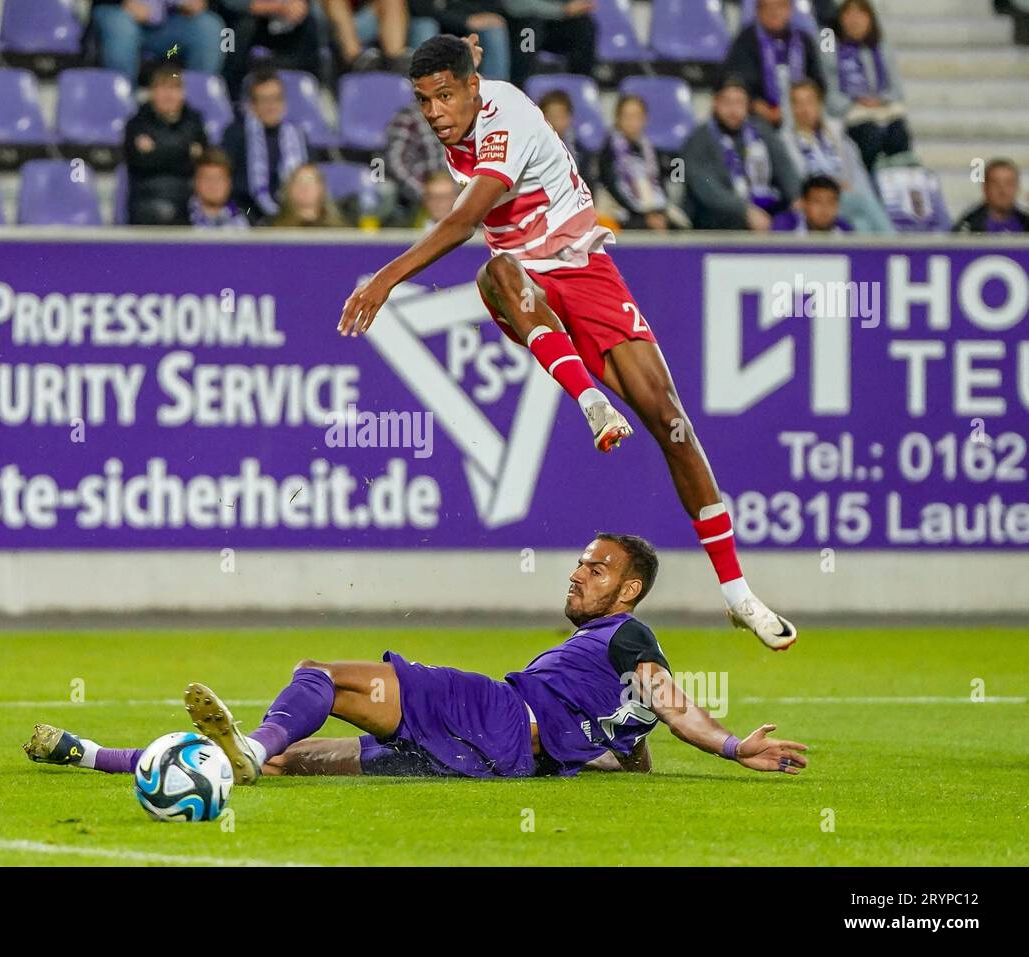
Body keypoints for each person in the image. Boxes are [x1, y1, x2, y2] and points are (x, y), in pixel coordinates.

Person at [336, 36, 798, 648]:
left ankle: (738, 594)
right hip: (528, 286)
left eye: (444, 95)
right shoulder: (464, 116)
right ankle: (588, 400)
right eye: (424, 100)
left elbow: (462, 221)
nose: (434, 112)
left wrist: (385, 280)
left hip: (584, 268)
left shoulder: (509, 119)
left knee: (671, 421)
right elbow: (480, 225)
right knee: (494, 270)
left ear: (473, 88)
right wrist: (467, 57)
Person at [24, 535, 809, 782]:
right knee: (305, 759)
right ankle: (89, 752)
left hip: (492, 712)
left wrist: (736, 744)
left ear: (631, 588)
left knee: (319, 677)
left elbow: (671, 699)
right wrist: (601, 760)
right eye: (579, 562)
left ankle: (254, 749)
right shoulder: (606, 677)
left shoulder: (628, 638)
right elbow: (635, 740)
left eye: (596, 568)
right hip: (487, 761)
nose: (577, 571)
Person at [681, 76, 801, 232]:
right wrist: (744, 210)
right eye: (727, 103)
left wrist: (796, 197)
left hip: (763, 209)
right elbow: (706, 189)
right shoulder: (698, 139)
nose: (733, 110)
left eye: (739, 103)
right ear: (715, 103)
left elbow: (783, 165)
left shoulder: (761, 130)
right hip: (717, 218)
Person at [782, 79, 892, 233]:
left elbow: (859, 177)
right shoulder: (785, 141)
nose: (804, 109)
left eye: (809, 102)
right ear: (791, 108)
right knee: (863, 206)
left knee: (861, 221)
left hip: (846, 199)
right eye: (797, 103)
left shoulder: (837, 134)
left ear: (820, 104)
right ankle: (896, 246)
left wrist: (850, 190)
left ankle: (881, 250)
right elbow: (795, 180)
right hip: (815, 200)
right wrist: (834, 185)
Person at [821, 0, 911, 170]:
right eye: (849, 15)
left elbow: (897, 89)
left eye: (860, 14)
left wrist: (879, 100)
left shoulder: (881, 47)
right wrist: (855, 101)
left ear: (870, 19)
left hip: (882, 108)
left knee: (898, 133)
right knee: (869, 135)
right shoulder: (830, 50)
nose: (854, 20)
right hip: (850, 112)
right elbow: (830, 95)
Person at [221, 68, 311, 223]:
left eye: (276, 99)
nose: (271, 106)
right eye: (264, 100)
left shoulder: (297, 136)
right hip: (247, 210)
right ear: (252, 105)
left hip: (291, 211)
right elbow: (226, 184)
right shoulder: (235, 134)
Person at [123, 64, 209, 225]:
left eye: (174, 88)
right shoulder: (137, 123)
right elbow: (141, 163)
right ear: (151, 93)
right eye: (162, 88)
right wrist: (185, 150)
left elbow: (202, 162)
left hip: (190, 197)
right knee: (163, 214)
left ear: (183, 93)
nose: (168, 95)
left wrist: (157, 150)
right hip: (147, 198)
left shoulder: (195, 122)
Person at [722, 0, 825, 128]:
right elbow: (734, 82)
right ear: (758, 12)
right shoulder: (746, 41)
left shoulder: (804, 40)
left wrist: (805, 106)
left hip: (801, 115)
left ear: (789, 10)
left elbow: (817, 82)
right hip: (759, 119)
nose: (774, 12)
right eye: (767, 8)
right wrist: (757, 106)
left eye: (779, 7)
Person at [598, 93, 687, 231]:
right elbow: (613, 186)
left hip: (653, 208)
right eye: (627, 116)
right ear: (618, 118)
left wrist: (659, 211)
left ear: (645, 119)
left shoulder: (650, 150)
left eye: (637, 116)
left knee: (679, 226)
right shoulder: (608, 149)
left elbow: (661, 183)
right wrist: (643, 215)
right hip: (620, 209)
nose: (632, 122)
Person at [90, 0, 226, 82]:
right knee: (122, 26)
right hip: (117, 12)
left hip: (168, 22)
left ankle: (196, 104)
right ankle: (122, 101)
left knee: (209, 26)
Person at [216, 0, 324, 97]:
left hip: (284, 21)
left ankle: (315, 92)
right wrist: (276, 7)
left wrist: (299, 4)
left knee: (312, 18)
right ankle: (232, 96)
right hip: (237, 21)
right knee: (240, 28)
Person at [503, 0, 598, 88]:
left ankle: (579, 86)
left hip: (550, 22)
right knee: (529, 31)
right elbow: (516, 6)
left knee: (583, 26)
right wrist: (563, 10)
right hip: (517, 23)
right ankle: (520, 86)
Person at [408, 0, 511, 79]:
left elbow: (491, 6)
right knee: (424, 26)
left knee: (494, 29)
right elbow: (419, 8)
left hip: (466, 17)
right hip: (433, 20)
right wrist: (464, 20)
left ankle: (494, 97)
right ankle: (423, 93)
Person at [385, 101, 446, 217]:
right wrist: (423, 192)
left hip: (456, 195)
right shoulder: (408, 118)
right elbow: (395, 163)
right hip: (418, 195)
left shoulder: (464, 118)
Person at [323, 0, 413, 73]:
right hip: (331, 24)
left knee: (392, 2)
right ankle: (357, 62)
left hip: (366, 19)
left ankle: (396, 62)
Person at [954, 159, 1029, 234]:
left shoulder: (1026, 223)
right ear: (985, 188)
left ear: (1018, 187)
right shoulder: (967, 227)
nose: (1003, 191)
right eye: (995, 184)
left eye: (1009, 184)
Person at [188, 149, 252, 228]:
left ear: (229, 183)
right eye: (207, 178)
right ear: (196, 182)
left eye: (219, 179)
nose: (213, 185)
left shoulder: (244, 218)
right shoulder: (179, 219)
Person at [270, 163, 349, 226]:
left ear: (321, 188)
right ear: (289, 189)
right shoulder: (270, 228)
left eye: (311, 181)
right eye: (299, 181)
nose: (305, 187)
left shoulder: (340, 230)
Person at [772, 174, 853, 233]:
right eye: (817, 201)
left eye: (831, 202)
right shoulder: (786, 225)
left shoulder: (846, 231)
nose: (825, 208)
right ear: (803, 204)